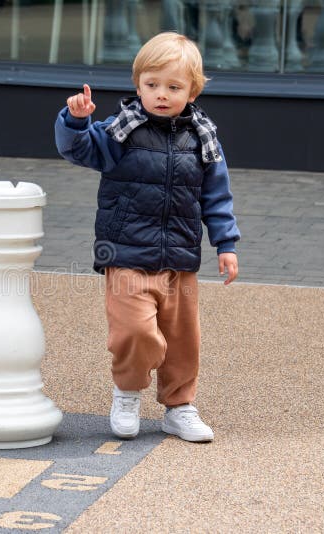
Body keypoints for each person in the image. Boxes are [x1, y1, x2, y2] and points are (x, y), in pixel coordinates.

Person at [54, 32, 240, 443]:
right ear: (138, 85)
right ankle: (127, 392)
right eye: (152, 84)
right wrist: (76, 120)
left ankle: (179, 407)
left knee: (182, 339)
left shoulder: (202, 138)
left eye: (173, 87)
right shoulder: (119, 131)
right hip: (125, 254)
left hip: (179, 256)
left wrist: (225, 245)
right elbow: (77, 149)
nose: (161, 94)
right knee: (135, 332)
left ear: (192, 91)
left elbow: (217, 196)